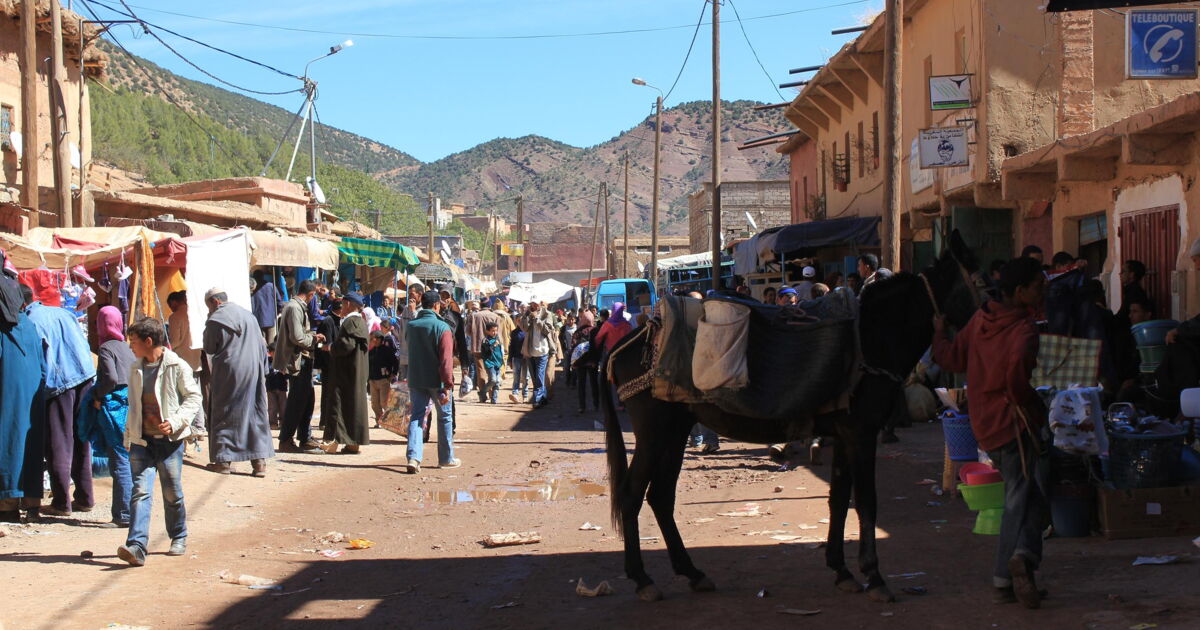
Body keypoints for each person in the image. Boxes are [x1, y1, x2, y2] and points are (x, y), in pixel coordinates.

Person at [932, 257, 1050, 609]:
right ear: (1020, 291)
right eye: (1038, 285)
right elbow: (1016, 380)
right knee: (1020, 498)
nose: (1043, 290)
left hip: (984, 422)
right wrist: (1034, 407)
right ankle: (1011, 568)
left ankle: (1021, 564)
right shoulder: (1024, 330)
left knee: (1028, 495)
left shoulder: (981, 318)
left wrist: (938, 333)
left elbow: (952, 358)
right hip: (1013, 422)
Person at [118, 317, 202, 567]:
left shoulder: (177, 366)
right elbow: (133, 405)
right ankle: (136, 546)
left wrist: (176, 422)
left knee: (171, 493)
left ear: (148, 341)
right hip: (141, 442)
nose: (130, 346)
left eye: (133, 341)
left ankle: (179, 536)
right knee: (140, 492)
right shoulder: (135, 368)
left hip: (169, 442)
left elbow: (193, 397)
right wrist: (129, 436)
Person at [23, 284, 96, 517]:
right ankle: (85, 498)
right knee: (81, 439)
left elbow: (37, 361)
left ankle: (62, 503)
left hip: (58, 384)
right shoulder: (63, 313)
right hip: (84, 377)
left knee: (59, 444)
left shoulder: (31, 321)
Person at [202, 288, 273, 477]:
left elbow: (209, 346)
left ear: (215, 302)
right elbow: (262, 344)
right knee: (254, 414)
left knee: (224, 413)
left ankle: (223, 462)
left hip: (229, 373)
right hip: (253, 371)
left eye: (209, 306)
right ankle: (259, 463)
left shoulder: (216, 319)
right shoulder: (249, 316)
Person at [0, 256, 46, 524]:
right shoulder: (28, 325)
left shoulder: (5, 328)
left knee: (9, 439)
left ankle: (6, 504)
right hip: (32, 393)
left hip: (10, 393)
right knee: (29, 442)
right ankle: (32, 503)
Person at [90, 306, 136, 527]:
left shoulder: (107, 348)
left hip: (115, 410)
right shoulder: (127, 348)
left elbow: (110, 377)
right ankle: (128, 512)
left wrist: (98, 395)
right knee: (128, 459)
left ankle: (123, 515)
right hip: (131, 408)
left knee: (120, 462)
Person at [405, 291, 459, 473]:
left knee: (417, 417)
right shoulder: (442, 327)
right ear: (436, 306)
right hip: (437, 381)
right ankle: (446, 458)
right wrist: (448, 384)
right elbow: (446, 360)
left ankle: (413, 458)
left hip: (416, 378)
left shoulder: (411, 325)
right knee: (445, 417)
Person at [274, 280, 325, 454]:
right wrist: (314, 339)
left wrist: (310, 335)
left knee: (307, 399)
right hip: (298, 361)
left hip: (302, 360)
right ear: (311, 294)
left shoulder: (296, 307)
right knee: (297, 401)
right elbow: (297, 337)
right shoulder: (295, 308)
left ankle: (305, 437)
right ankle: (286, 440)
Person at [322, 293, 371, 454]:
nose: (341, 308)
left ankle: (334, 442)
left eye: (342, 304)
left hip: (346, 372)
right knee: (353, 407)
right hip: (356, 372)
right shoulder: (361, 322)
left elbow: (346, 345)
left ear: (348, 304)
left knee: (339, 405)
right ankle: (352, 443)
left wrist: (330, 347)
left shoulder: (351, 321)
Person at [521, 301, 557, 408]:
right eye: (532, 304)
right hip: (530, 351)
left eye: (536, 304)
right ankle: (543, 397)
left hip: (543, 350)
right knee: (534, 377)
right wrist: (527, 316)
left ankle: (536, 399)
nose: (534, 306)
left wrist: (537, 319)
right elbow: (524, 328)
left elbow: (547, 330)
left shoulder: (547, 314)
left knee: (539, 376)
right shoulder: (528, 314)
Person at [467, 299, 502, 402]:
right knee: (493, 372)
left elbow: (468, 331)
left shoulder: (474, 316)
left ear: (481, 305)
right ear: (490, 305)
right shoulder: (496, 317)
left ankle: (483, 396)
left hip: (478, 347)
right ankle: (493, 396)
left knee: (481, 372)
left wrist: (476, 335)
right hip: (493, 349)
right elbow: (498, 334)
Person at [368, 330, 400, 426]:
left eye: (373, 338)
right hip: (372, 380)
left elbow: (395, 362)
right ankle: (379, 421)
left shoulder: (387, 350)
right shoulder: (371, 352)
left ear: (379, 339)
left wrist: (393, 373)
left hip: (383, 380)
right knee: (374, 404)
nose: (372, 340)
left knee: (384, 402)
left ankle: (388, 421)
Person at [572, 310, 599, 414]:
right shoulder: (595, 330)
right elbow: (598, 347)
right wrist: (595, 360)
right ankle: (596, 404)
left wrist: (574, 363)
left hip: (580, 362)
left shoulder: (577, 332)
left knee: (581, 384)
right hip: (592, 362)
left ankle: (581, 406)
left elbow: (573, 347)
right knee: (594, 383)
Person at [250, 270, 283, 345]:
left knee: (260, 343)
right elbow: (279, 301)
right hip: (270, 319)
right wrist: (278, 311)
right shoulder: (271, 286)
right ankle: (270, 356)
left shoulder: (251, 289)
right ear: (263, 276)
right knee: (271, 343)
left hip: (256, 319)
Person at [1117, 260, 1152, 324]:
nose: (1120, 274)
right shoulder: (1132, 291)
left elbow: (1123, 317)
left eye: (1123, 271)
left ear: (1131, 274)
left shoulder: (1134, 293)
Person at [481, 322, 504, 404]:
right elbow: (487, 351)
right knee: (493, 380)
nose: (494, 332)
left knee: (497, 382)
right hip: (489, 363)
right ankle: (483, 392)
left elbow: (501, 351)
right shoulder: (485, 340)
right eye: (492, 331)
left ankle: (494, 399)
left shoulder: (498, 339)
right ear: (487, 331)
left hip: (498, 363)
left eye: (496, 330)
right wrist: (494, 345)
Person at [508, 324, 528, 403]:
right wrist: (510, 359)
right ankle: (515, 394)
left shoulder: (528, 331)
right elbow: (511, 346)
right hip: (516, 357)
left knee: (526, 377)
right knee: (516, 377)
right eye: (519, 320)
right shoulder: (514, 332)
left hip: (526, 358)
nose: (520, 322)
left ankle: (525, 395)